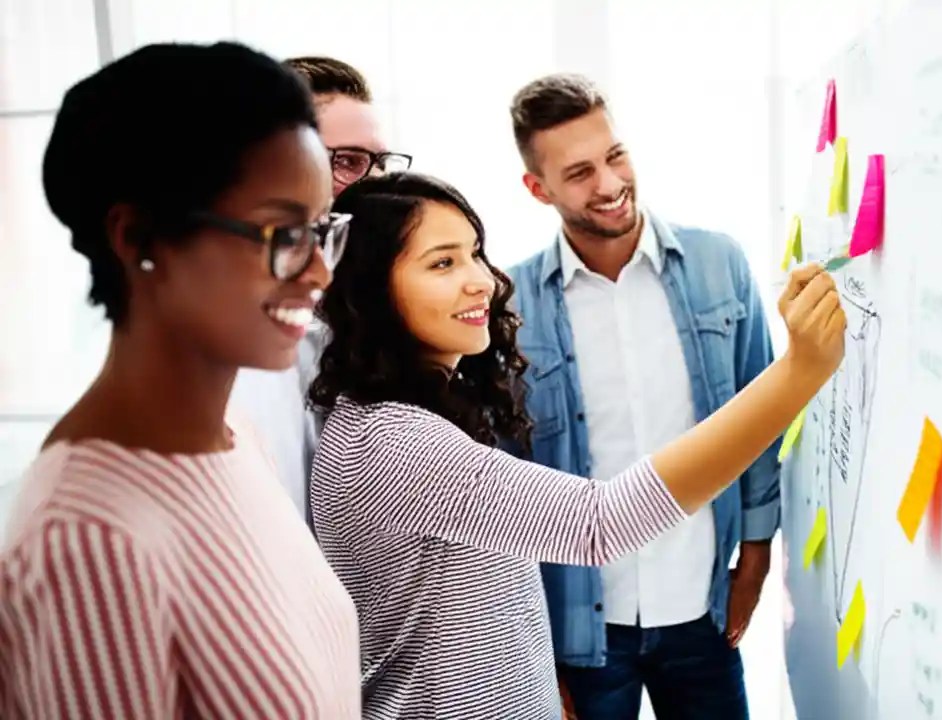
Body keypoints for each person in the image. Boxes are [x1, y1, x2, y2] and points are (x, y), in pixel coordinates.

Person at [307, 171, 844, 719]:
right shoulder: (391, 440)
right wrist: (799, 373)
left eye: (474, 253)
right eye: (443, 263)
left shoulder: (421, 416)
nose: (480, 281)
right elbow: (599, 523)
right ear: (370, 292)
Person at [0, 42, 360, 717]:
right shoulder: (86, 539)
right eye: (282, 233)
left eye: (320, 231)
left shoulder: (235, 439)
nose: (318, 272)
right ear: (137, 238)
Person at [505, 73, 779, 718]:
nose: (608, 184)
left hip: (701, 606)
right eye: (578, 173)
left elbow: (762, 417)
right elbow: (506, 483)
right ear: (537, 188)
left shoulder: (721, 265)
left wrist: (758, 558)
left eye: (614, 155)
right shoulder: (508, 304)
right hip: (580, 629)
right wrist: (530, 647)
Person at [229, 55, 412, 520]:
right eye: (349, 161)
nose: (375, 185)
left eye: (381, 165)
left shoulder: (358, 317)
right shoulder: (240, 356)